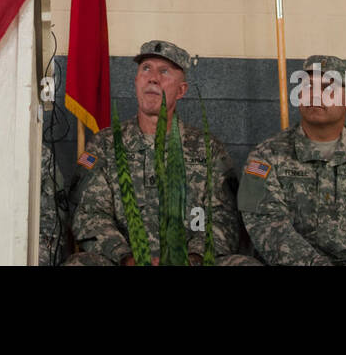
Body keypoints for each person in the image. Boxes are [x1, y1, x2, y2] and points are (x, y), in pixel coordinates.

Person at [66, 41, 257, 266]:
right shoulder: (104, 145)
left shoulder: (209, 149)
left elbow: (224, 218)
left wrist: (192, 257)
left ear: (182, 90)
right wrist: (127, 257)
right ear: (136, 81)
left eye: (164, 71)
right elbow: (90, 213)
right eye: (146, 68)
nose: (153, 78)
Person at [239, 54, 346, 265]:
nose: (315, 95)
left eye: (327, 88)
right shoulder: (266, 156)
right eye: (307, 87)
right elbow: (268, 227)